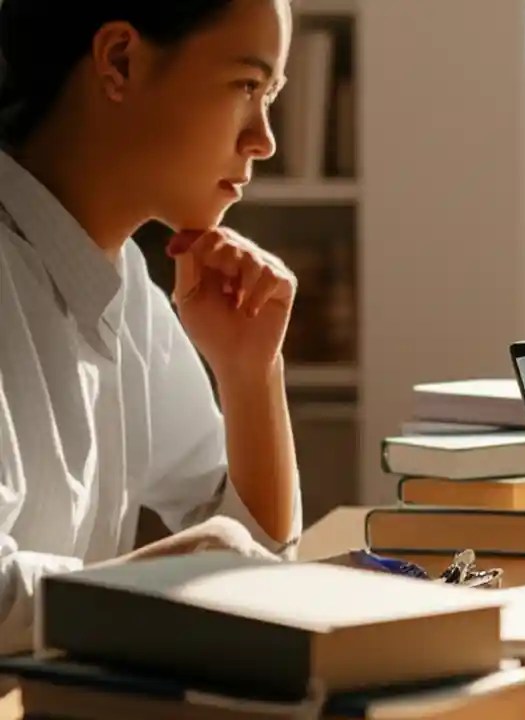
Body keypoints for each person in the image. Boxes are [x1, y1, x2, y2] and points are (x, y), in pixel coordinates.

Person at [0, 0, 303, 654]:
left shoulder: (128, 283)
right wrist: (172, 580)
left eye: (271, 95)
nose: (264, 140)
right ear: (119, 62)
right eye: (247, 85)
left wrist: (251, 373)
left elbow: (258, 562)